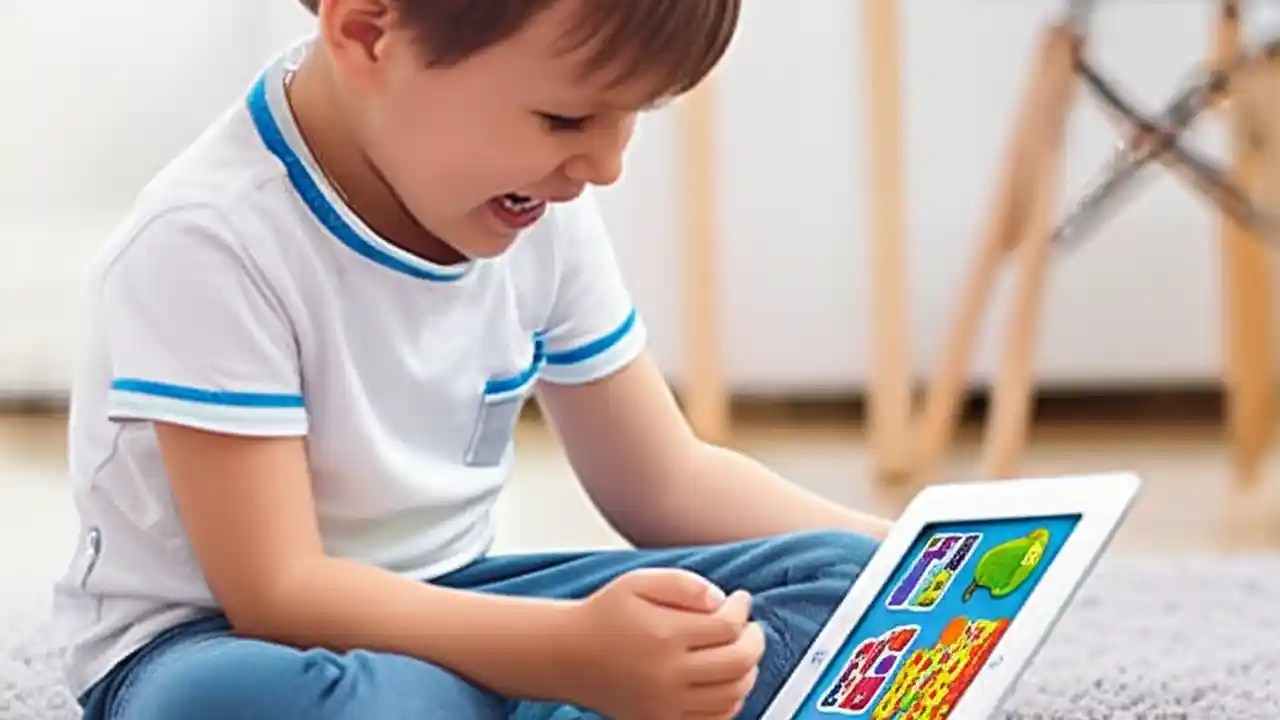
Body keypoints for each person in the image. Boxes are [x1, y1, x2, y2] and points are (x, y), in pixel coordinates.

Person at [51, 1, 894, 718]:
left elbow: (662, 481)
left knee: (850, 583)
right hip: (224, 641)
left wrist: (912, 549)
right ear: (370, 33)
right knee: (271, 705)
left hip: (466, 603)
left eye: (632, 116)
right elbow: (280, 591)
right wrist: (566, 652)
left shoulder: (538, 207)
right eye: (566, 119)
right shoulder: (211, 240)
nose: (604, 166)